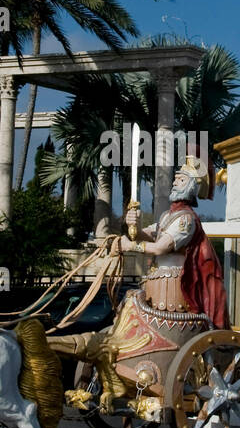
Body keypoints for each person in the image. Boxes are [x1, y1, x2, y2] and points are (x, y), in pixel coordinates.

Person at [52, 155, 229, 412]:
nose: (174, 183)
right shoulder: (170, 216)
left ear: (191, 186)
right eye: (176, 178)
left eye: (180, 179)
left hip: (176, 289)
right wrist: (132, 225)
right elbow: (150, 234)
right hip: (157, 286)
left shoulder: (186, 220)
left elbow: (160, 247)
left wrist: (130, 243)